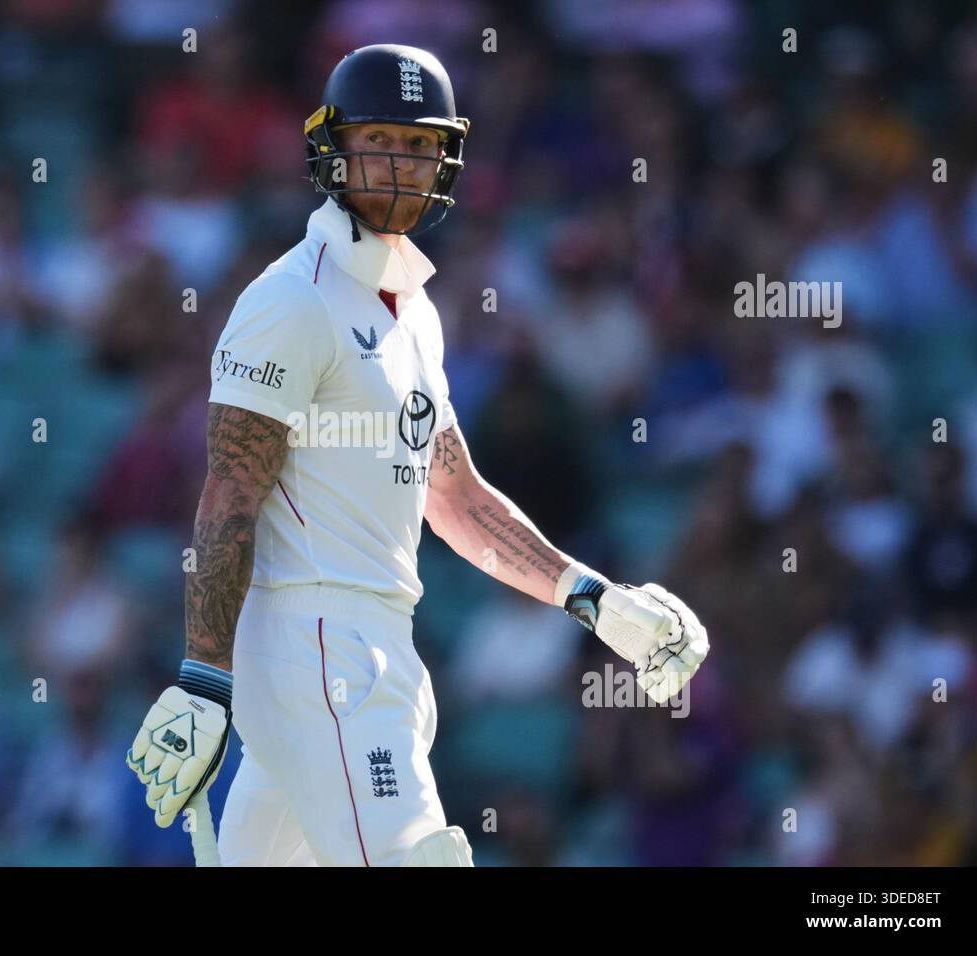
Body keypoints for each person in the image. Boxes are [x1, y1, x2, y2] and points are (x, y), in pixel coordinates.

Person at [127, 43, 709, 867]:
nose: (402, 166)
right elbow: (229, 496)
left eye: (420, 145)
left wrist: (592, 598)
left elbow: (454, 495)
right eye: (381, 141)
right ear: (332, 148)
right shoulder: (290, 299)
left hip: (370, 644)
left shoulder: (414, 314)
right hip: (321, 649)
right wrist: (202, 678)